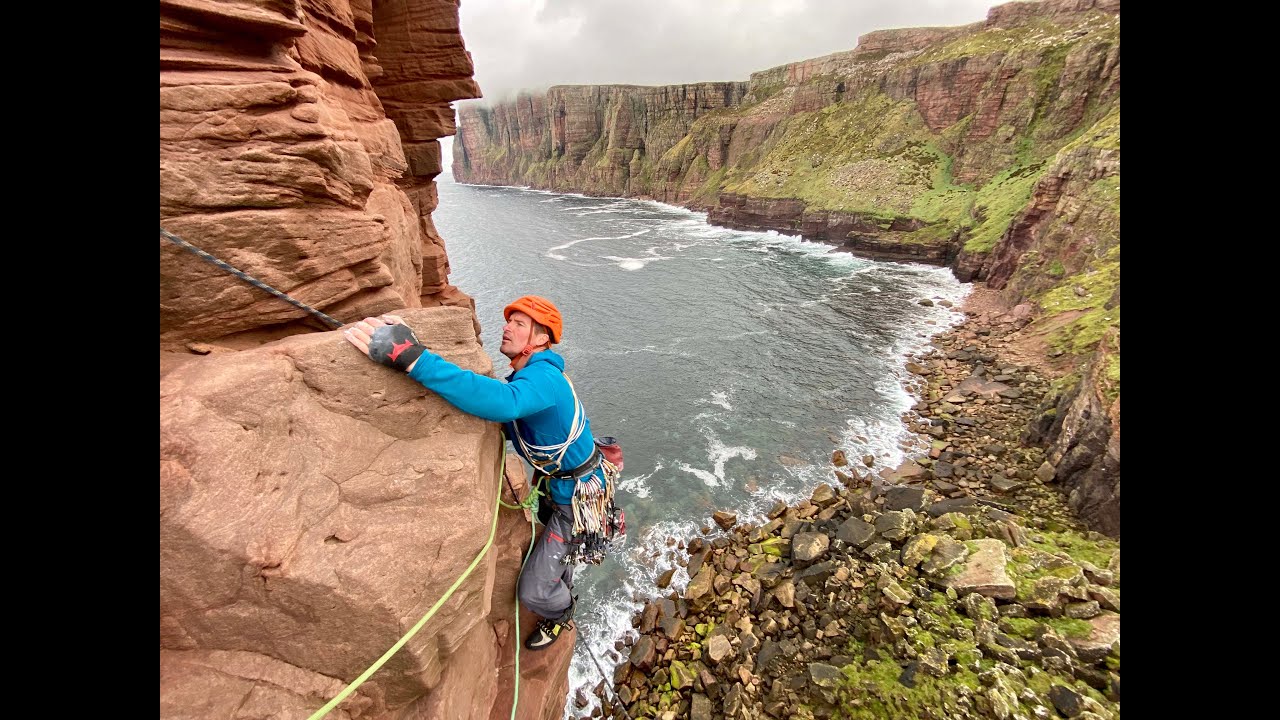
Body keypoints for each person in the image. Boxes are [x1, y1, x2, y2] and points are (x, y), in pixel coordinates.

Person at [343, 295, 603, 651]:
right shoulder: (529, 376)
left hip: (575, 500)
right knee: (562, 549)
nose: (506, 326)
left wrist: (415, 358)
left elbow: (504, 404)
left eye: (519, 324)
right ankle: (561, 576)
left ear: (541, 338)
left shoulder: (544, 377)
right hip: (562, 489)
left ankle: (560, 610)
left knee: (533, 590)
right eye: (509, 321)